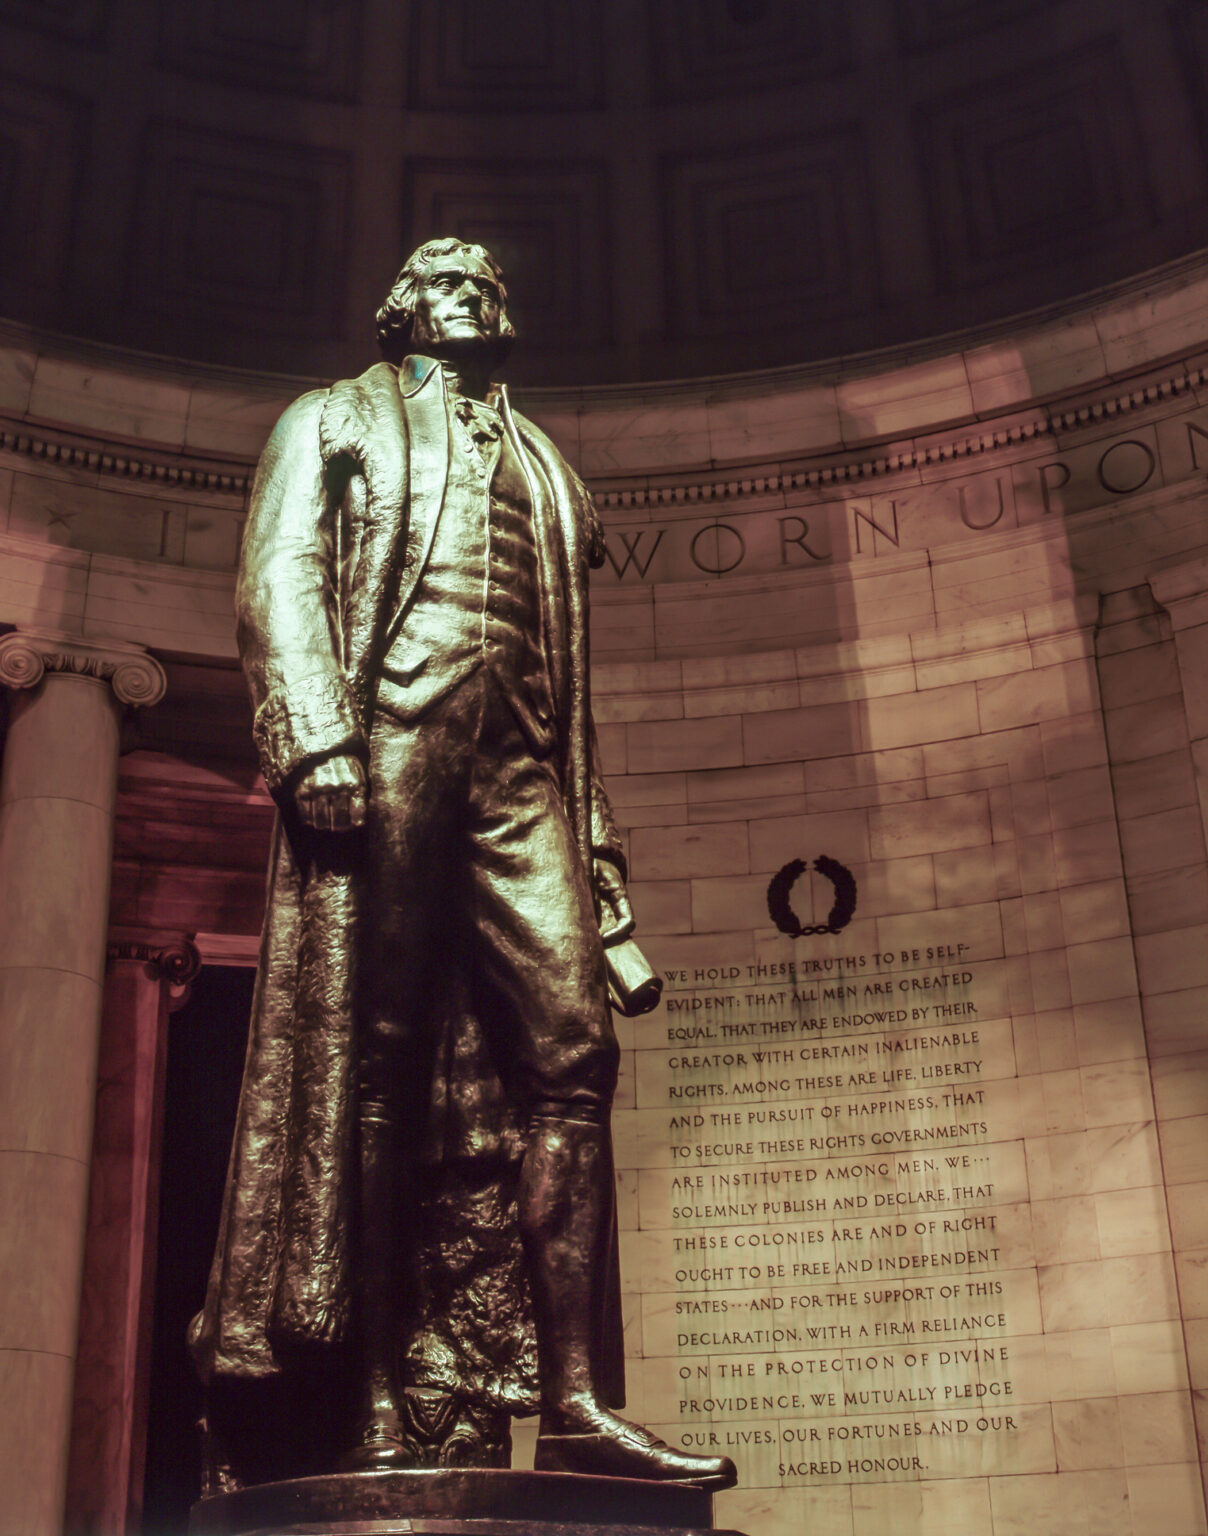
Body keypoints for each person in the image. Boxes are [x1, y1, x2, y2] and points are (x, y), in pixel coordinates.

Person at [190, 238, 735, 1492]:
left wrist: (593, 841)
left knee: (573, 1056)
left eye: (487, 281)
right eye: (446, 279)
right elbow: (278, 577)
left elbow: (569, 674)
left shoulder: (546, 462)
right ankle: (372, 1397)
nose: (475, 290)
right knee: (369, 1067)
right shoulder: (330, 421)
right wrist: (317, 735)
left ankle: (576, 1404)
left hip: (521, 773)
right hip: (387, 744)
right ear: (398, 313)